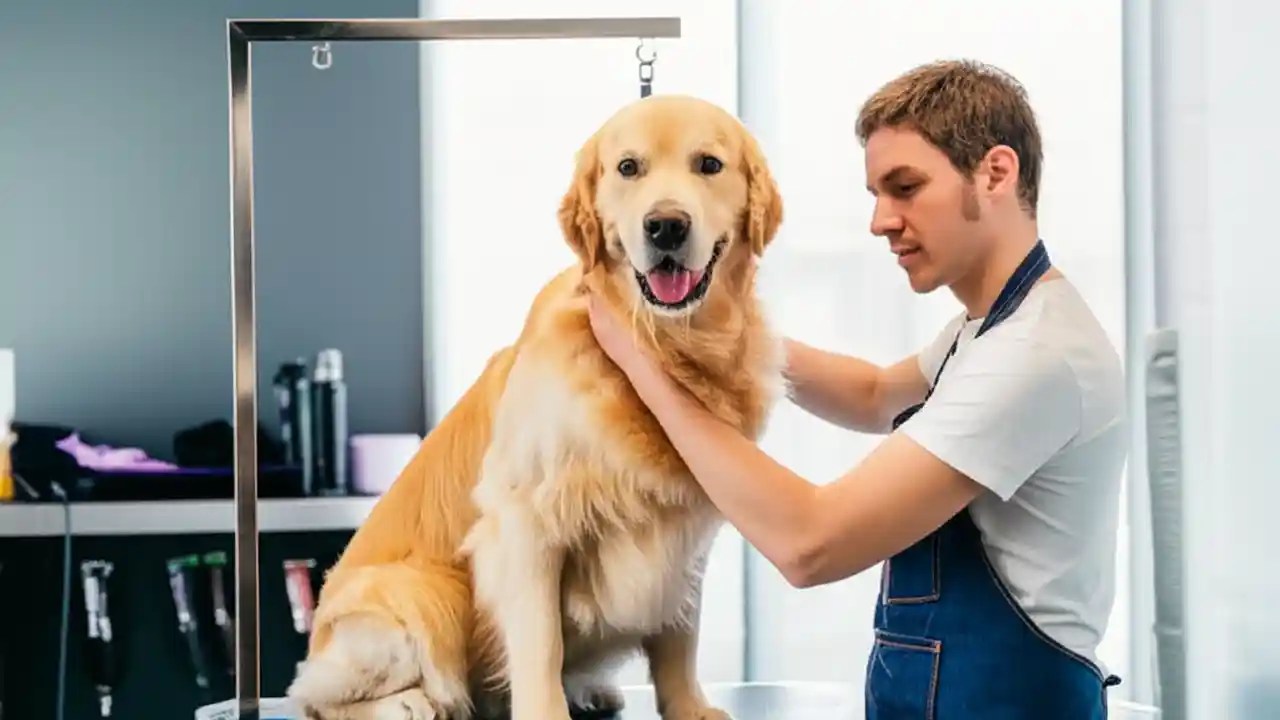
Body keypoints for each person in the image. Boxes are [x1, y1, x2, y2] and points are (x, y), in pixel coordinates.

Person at [585, 59, 1127, 718]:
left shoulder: (1035, 359)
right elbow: (873, 394)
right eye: (875, 193)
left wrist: (645, 366)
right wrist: (709, 334)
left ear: (995, 173)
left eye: (905, 188)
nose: (880, 220)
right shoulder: (986, 331)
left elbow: (811, 542)